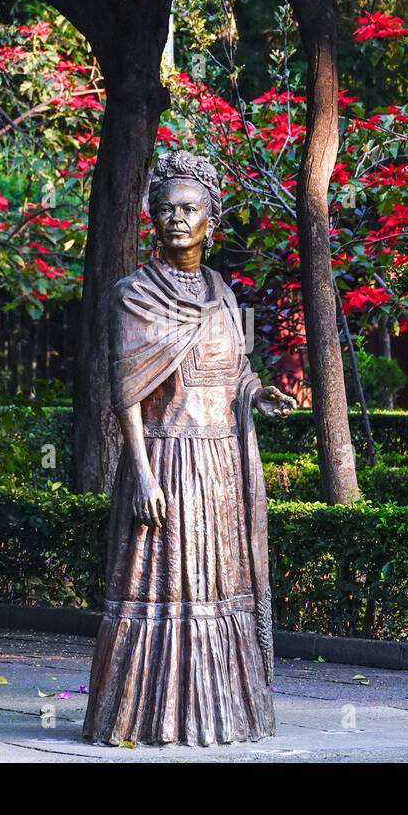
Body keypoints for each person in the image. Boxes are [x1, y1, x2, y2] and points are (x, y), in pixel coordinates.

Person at [83, 150, 295, 746]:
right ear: (153, 216)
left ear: (211, 218)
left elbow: (233, 372)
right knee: (164, 588)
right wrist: (143, 474)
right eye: (168, 209)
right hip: (167, 458)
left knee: (219, 588)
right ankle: (147, 715)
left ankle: (222, 712)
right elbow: (125, 389)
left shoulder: (224, 292)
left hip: (220, 462)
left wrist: (258, 394)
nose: (178, 218)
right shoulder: (134, 294)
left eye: (191, 208)